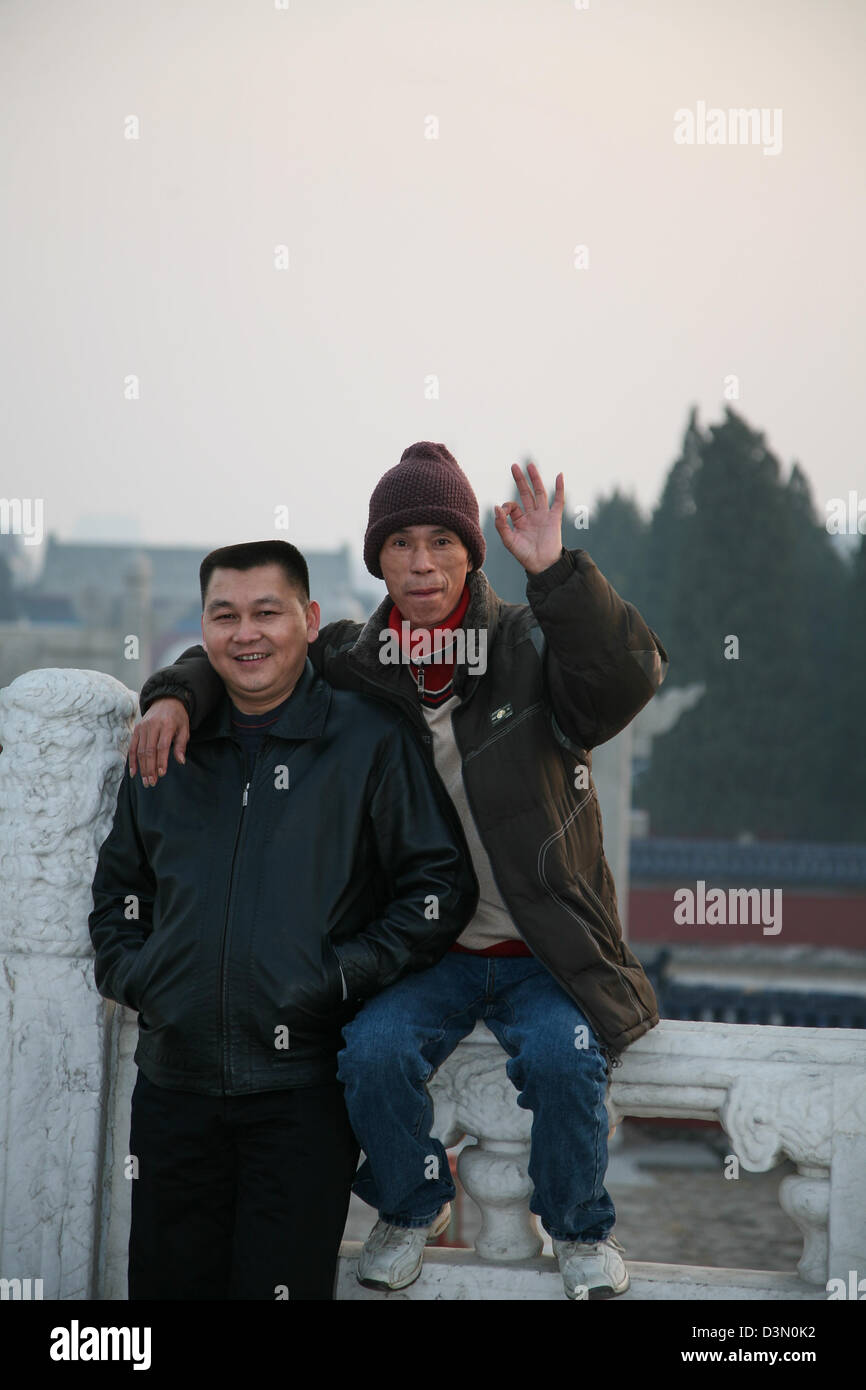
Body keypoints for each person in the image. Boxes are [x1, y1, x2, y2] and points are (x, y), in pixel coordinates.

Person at [130, 445, 669, 1300]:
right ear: (377, 558)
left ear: (471, 553)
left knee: (566, 1062)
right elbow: (254, 655)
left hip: (544, 947)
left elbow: (629, 677)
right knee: (372, 1052)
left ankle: (579, 1230)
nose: (422, 563)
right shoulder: (356, 660)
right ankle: (411, 1207)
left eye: (442, 541)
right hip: (429, 948)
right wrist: (174, 692)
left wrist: (557, 574)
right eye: (401, 544)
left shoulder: (530, 644)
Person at [89, 538, 478, 1301]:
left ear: (310, 619)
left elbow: (438, 887)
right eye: (224, 615)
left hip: (300, 1094)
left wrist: (337, 974)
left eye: (267, 612)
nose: (247, 633)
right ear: (203, 626)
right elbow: (117, 894)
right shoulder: (167, 745)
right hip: (172, 1090)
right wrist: (145, 980)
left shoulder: (368, 739)